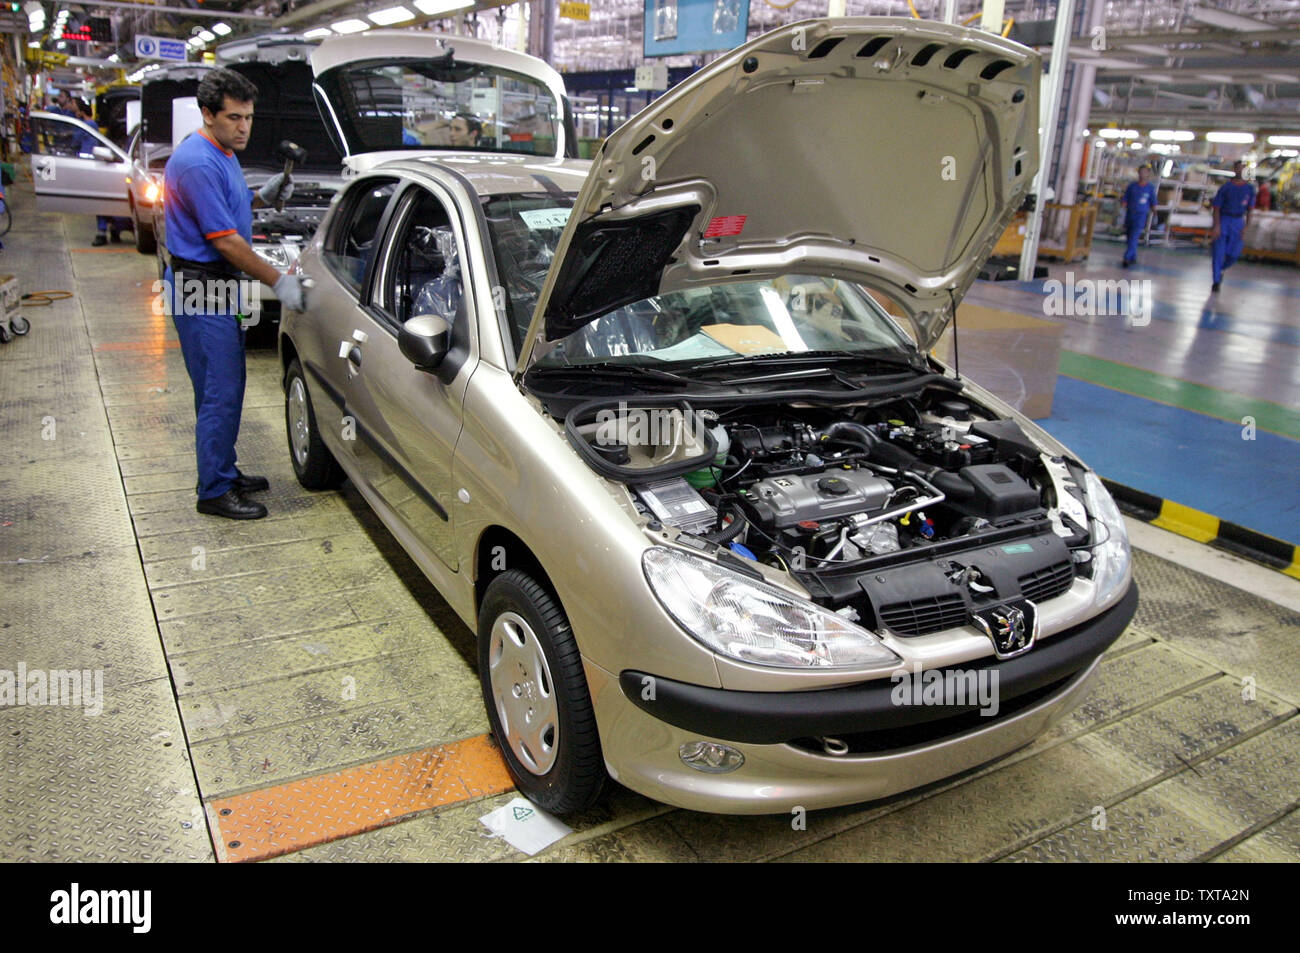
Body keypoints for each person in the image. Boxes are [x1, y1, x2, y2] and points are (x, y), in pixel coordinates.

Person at [163, 68, 305, 520]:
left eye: (248, 117)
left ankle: (222, 467)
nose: (243, 127)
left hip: (220, 285)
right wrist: (278, 281)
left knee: (226, 385)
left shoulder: (220, 151)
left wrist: (261, 196)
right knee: (218, 391)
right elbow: (224, 240)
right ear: (207, 114)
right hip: (202, 287)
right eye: (233, 117)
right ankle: (214, 491)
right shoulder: (198, 162)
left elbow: (231, 206)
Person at [69, 99, 132, 246]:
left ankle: (110, 230)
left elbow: (78, 143)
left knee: (105, 201)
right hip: (102, 165)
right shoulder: (103, 131)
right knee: (103, 201)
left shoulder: (90, 125)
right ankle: (108, 230)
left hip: (105, 166)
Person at [1209, 161, 1255, 293]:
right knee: (1218, 252)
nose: (1241, 171)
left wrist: (1247, 227)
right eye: (1238, 168)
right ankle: (1216, 281)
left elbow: (1250, 210)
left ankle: (1222, 268)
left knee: (1234, 253)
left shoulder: (1250, 189)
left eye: (1243, 169)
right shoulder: (1226, 188)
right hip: (1224, 219)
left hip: (1238, 221)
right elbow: (1216, 208)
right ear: (1234, 170)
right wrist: (1217, 226)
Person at [1120, 164, 1158, 268]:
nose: (1143, 174)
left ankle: (1127, 258)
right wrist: (1122, 207)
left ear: (1148, 173)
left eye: (1145, 172)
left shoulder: (1150, 188)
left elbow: (1153, 201)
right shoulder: (1132, 186)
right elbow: (1125, 199)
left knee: (1134, 236)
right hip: (1130, 214)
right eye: (1141, 172)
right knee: (1129, 236)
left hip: (1141, 215)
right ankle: (1133, 256)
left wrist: (1155, 213)